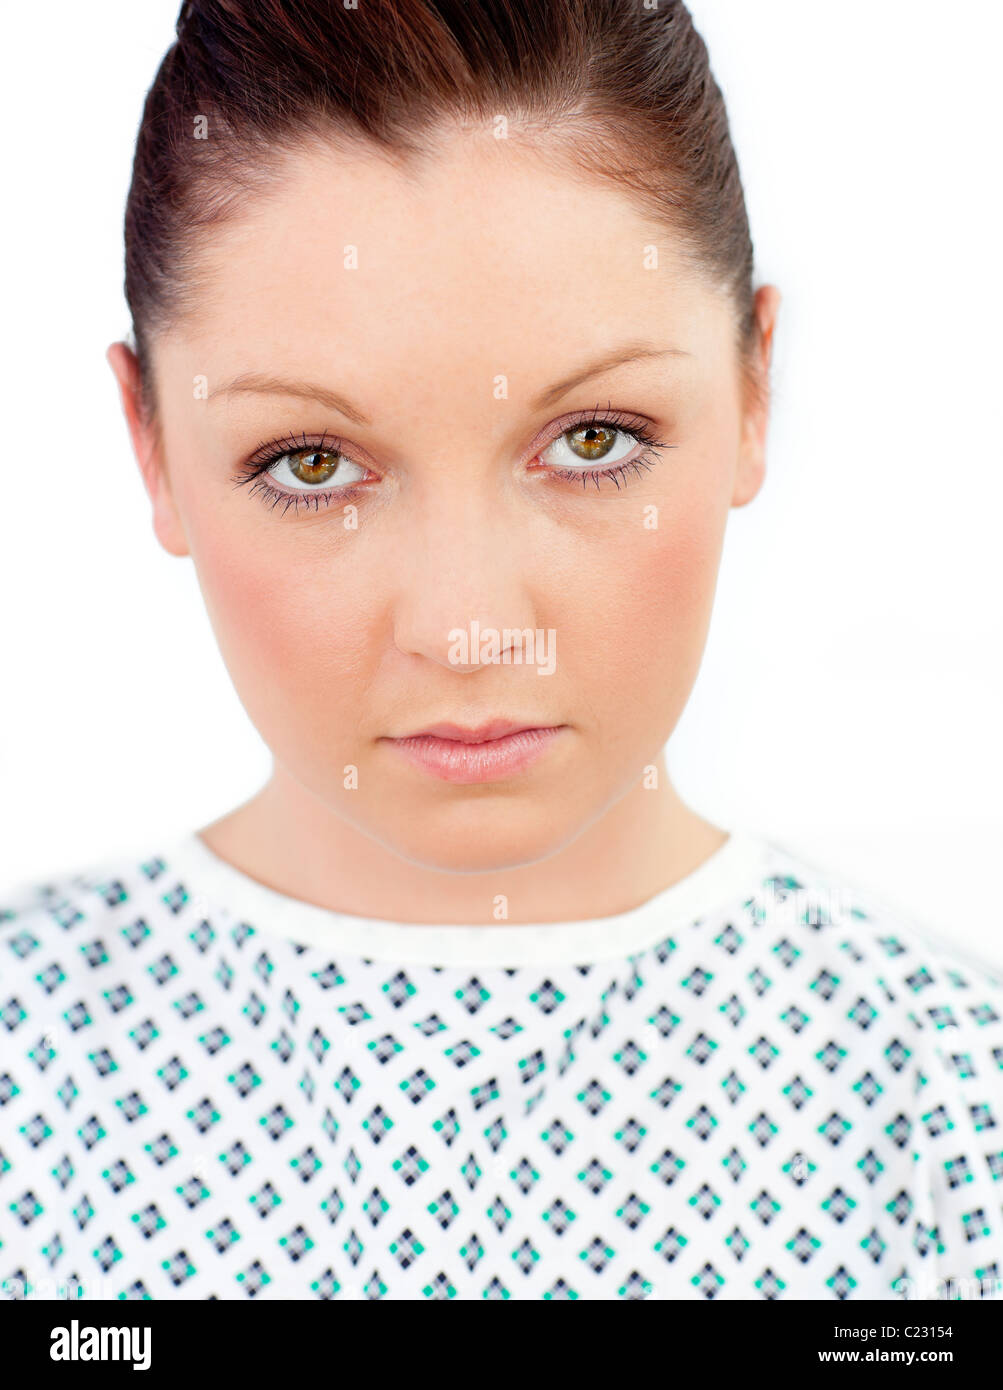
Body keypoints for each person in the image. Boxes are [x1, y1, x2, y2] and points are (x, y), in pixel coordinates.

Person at [1, 0, 1000, 1302]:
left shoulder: (959, 1117)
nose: (465, 623)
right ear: (152, 449)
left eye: (594, 439)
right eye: (312, 463)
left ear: (757, 391)